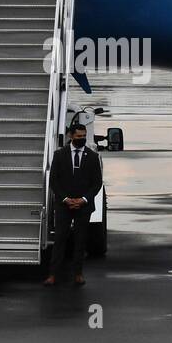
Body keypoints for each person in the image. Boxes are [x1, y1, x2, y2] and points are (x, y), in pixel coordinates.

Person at [45, 122, 102, 286]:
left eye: (84, 136)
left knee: (80, 240)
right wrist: (65, 199)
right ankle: (53, 274)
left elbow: (96, 183)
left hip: (83, 206)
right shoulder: (59, 155)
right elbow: (54, 181)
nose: (82, 139)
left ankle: (78, 273)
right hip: (64, 205)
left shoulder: (92, 156)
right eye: (78, 136)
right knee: (60, 240)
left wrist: (83, 199)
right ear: (71, 136)